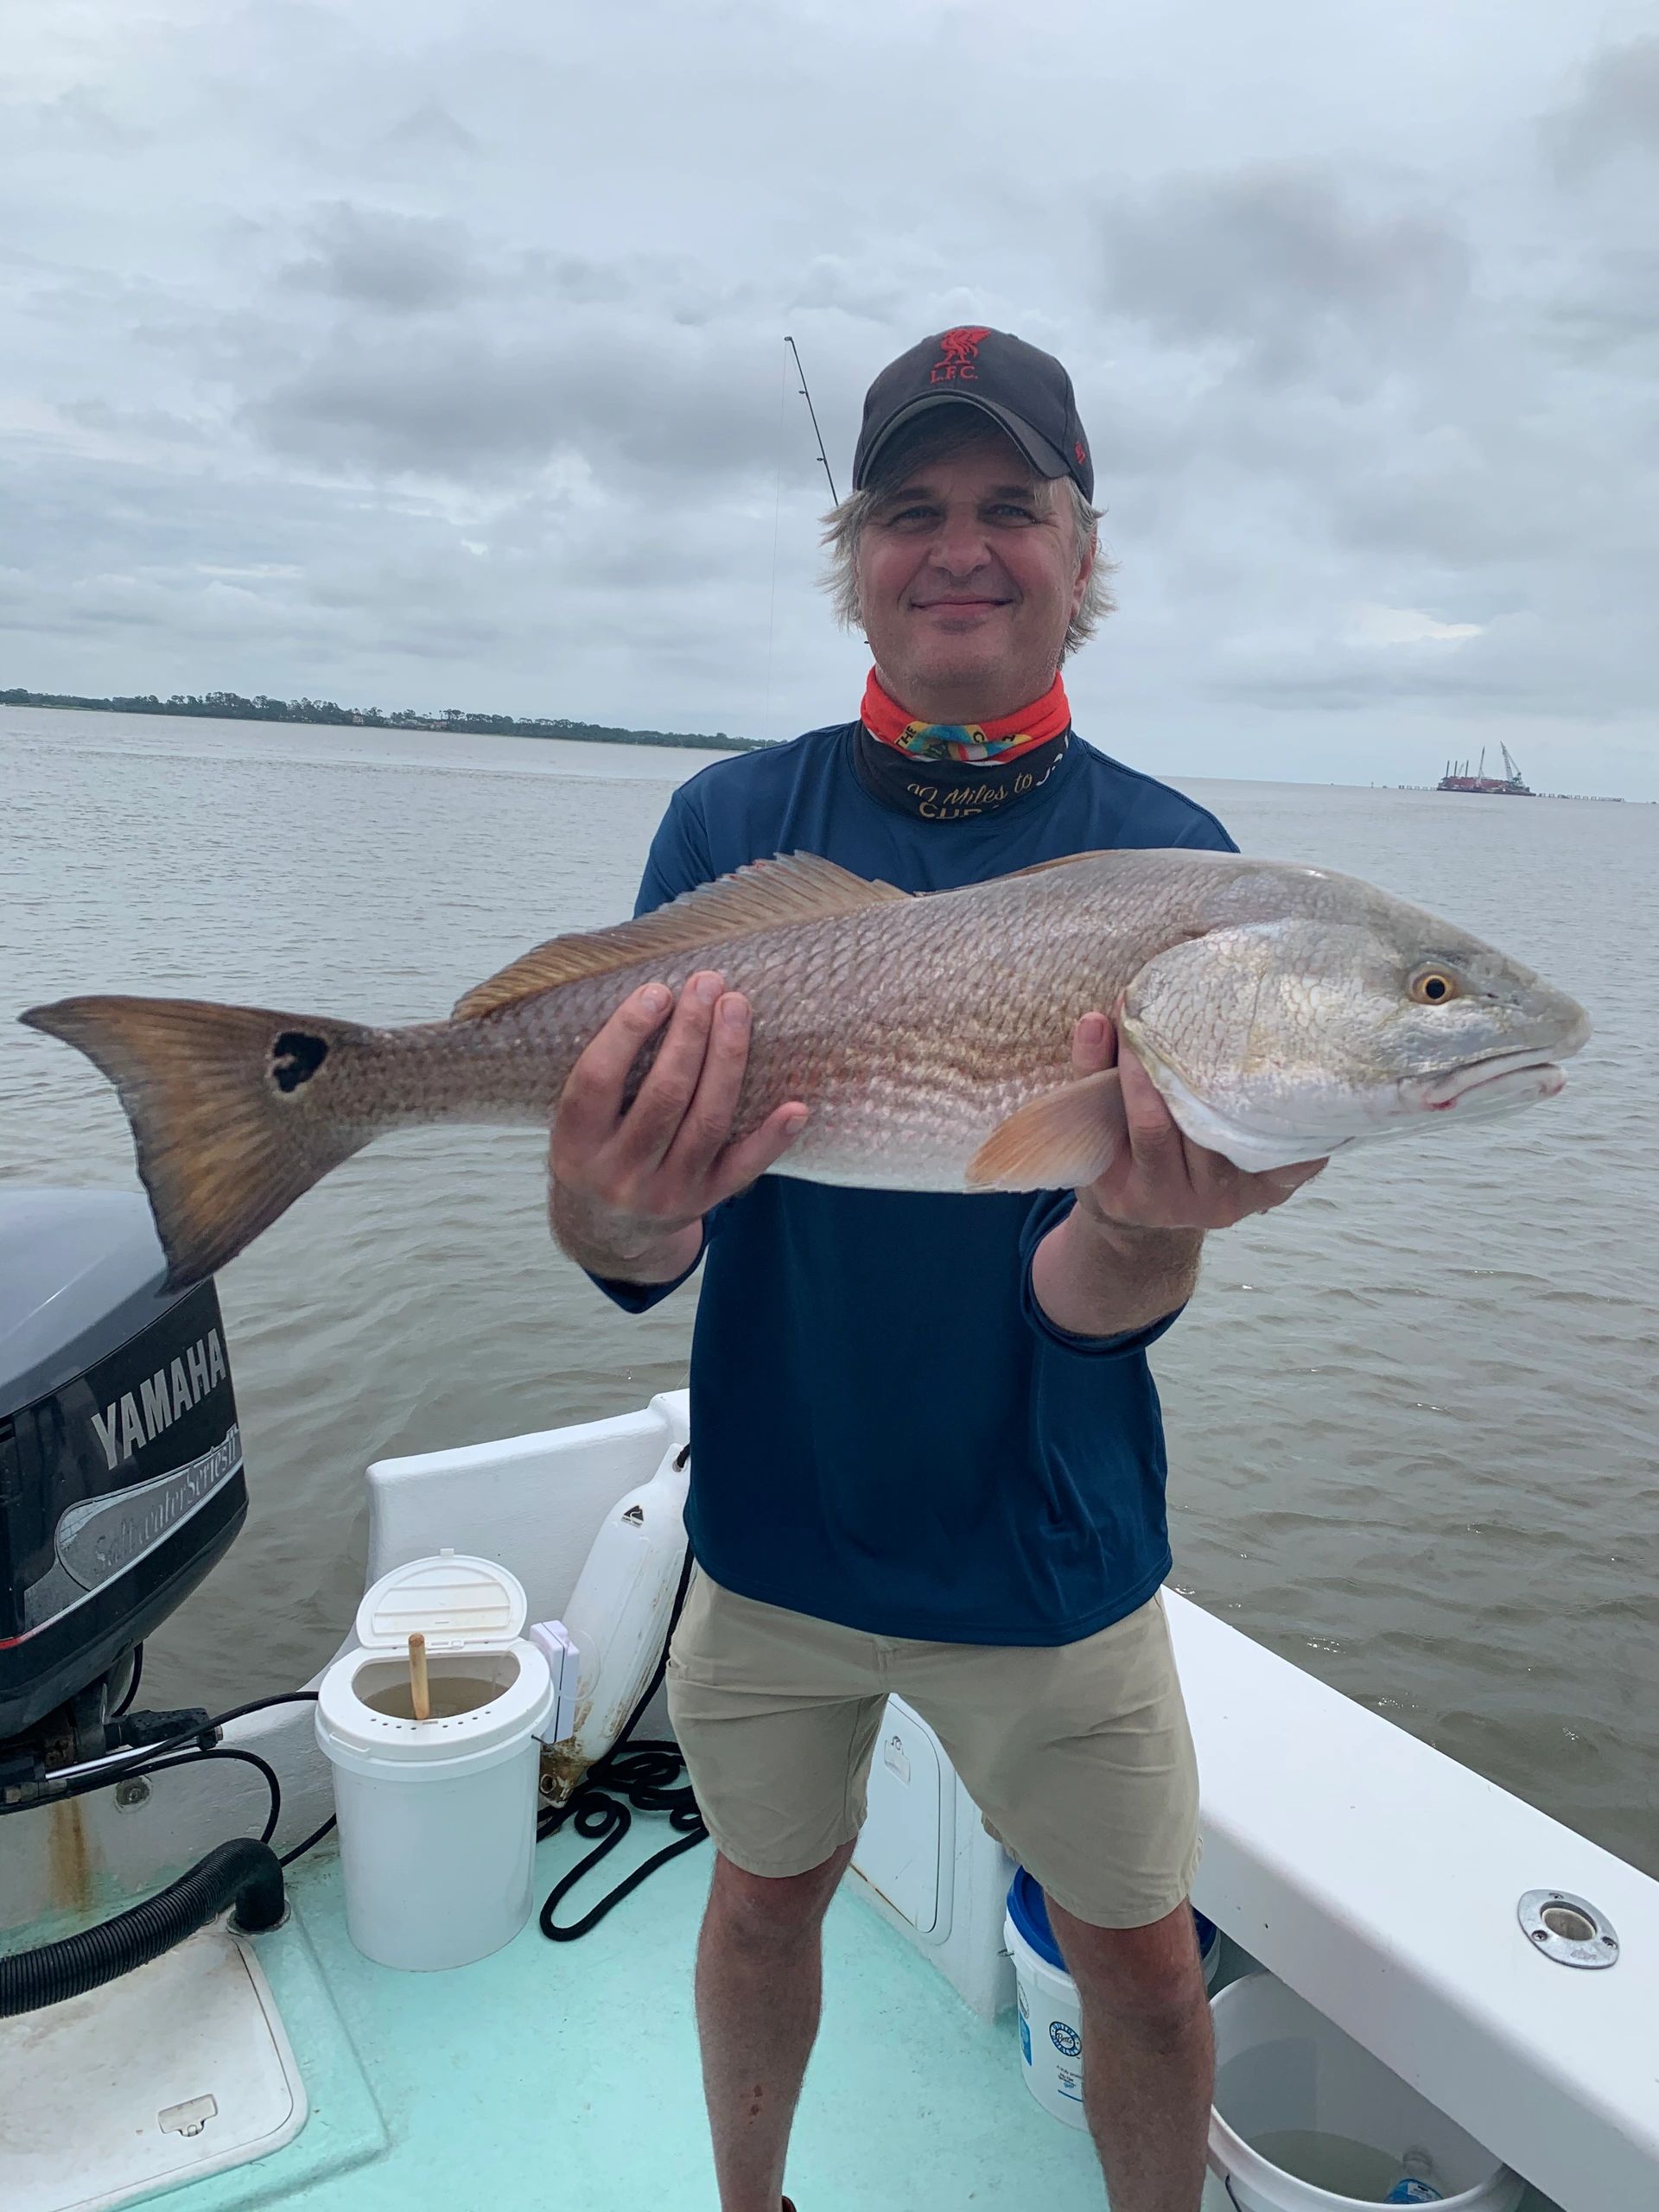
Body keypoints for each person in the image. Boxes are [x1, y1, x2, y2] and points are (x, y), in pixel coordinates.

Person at [549, 327, 1325, 2212]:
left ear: (1081, 548)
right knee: (762, 1898)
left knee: (1141, 1956)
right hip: (777, 1529)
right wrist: (614, 1195)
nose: (960, 547)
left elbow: (1099, 1299)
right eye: (914, 509)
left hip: (1050, 1549)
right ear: (858, 556)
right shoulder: (729, 826)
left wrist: (1145, 1217)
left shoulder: (1179, 869)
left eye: (1010, 507)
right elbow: (632, 1251)